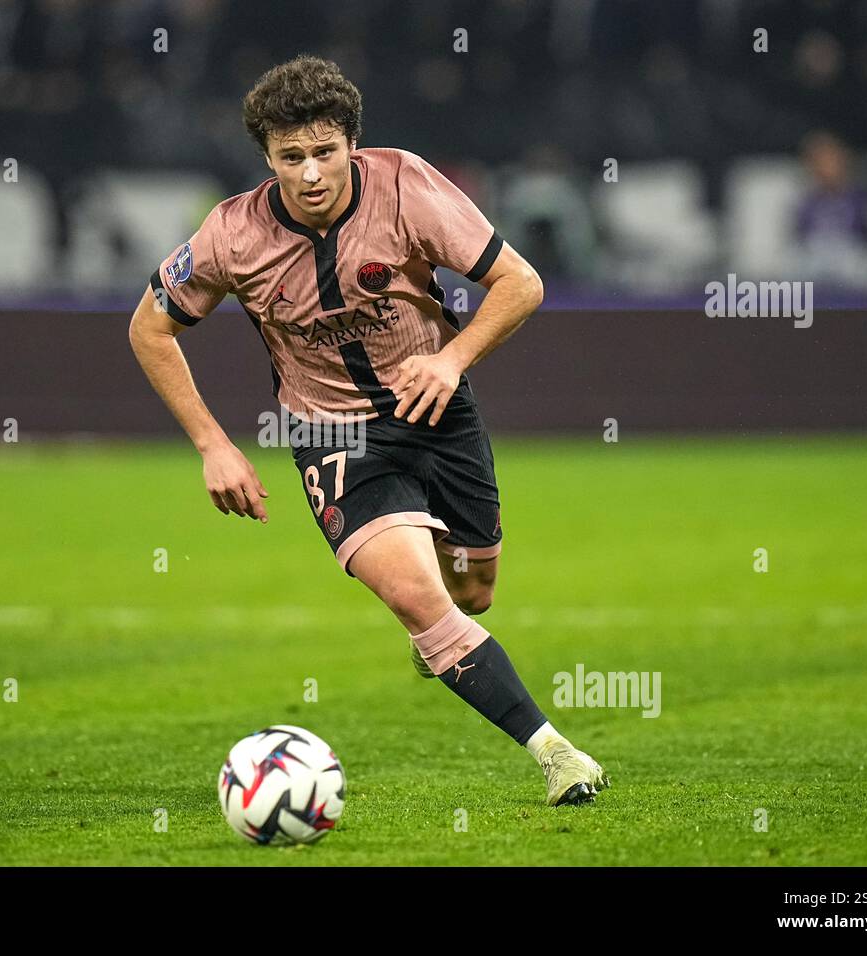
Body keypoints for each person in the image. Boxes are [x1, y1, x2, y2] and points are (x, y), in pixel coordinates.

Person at [129, 56, 609, 807]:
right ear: (268, 158)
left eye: (324, 151)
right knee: (423, 604)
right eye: (291, 158)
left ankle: (446, 637)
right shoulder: (231, 234)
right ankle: (558, 756)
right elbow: (149, 329)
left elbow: (522, 282)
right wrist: (213, 445)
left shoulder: (407, 186)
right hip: (335, 438)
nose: (311, 173)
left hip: (439, 411)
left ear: (351, 141)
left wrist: (451, 359)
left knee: (474, 592)